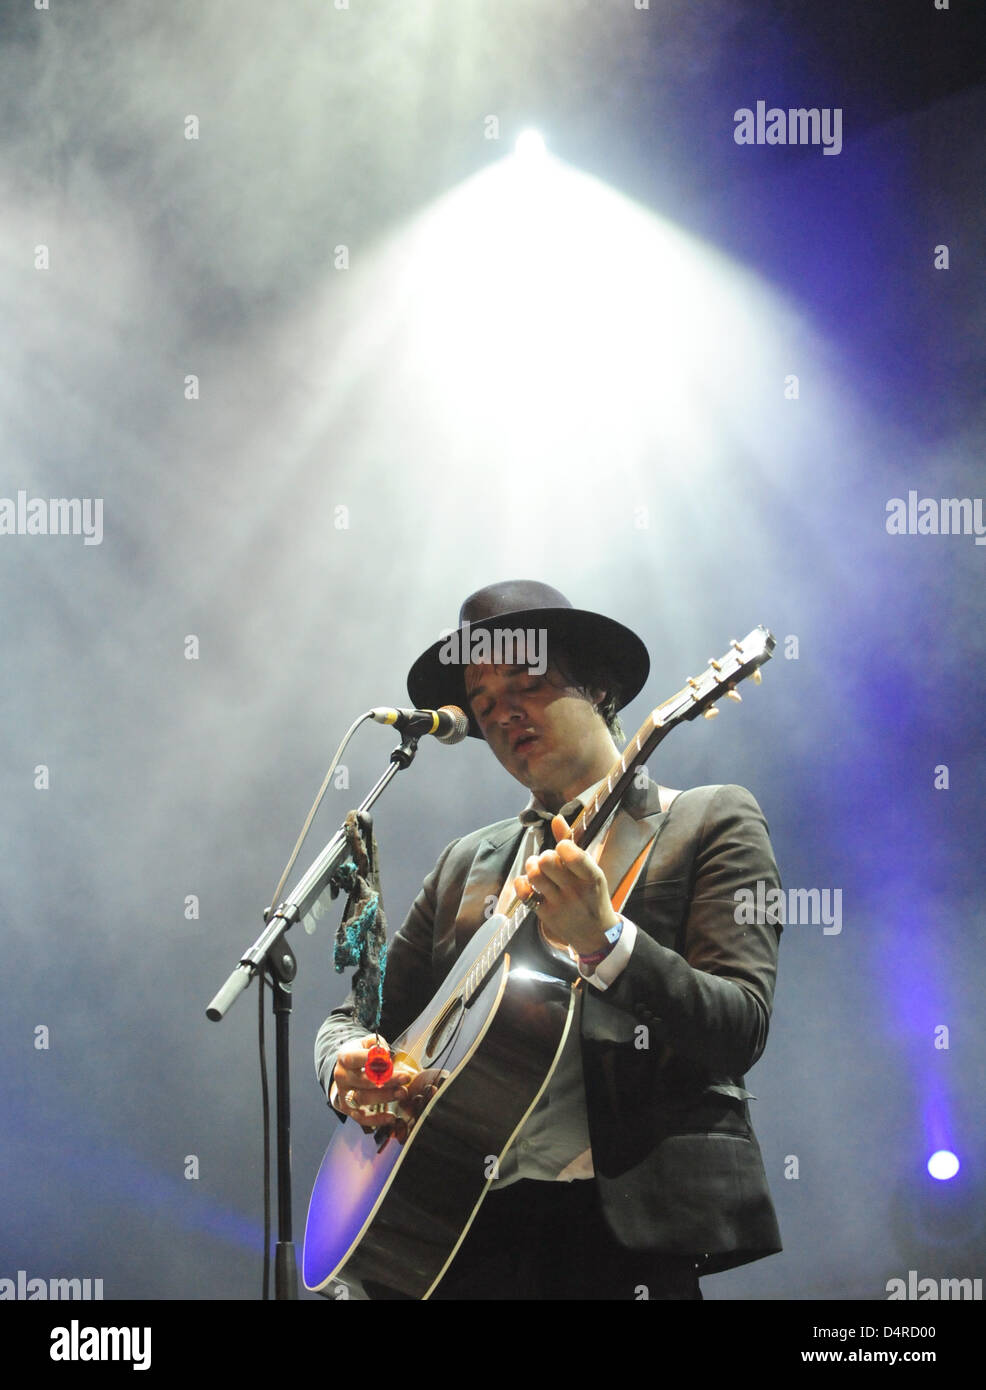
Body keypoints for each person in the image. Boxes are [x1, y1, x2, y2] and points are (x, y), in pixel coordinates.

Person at [314, 580, 783, 1300]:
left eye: (527, 685)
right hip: (460, 1240)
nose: (505, 715)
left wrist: (607, 942)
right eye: (485, 704)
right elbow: (356, 1017)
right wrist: (346, 1061)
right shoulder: (463, 865)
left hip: (619, 1242)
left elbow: (738, 1026)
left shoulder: (709, 822)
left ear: (598, 688)